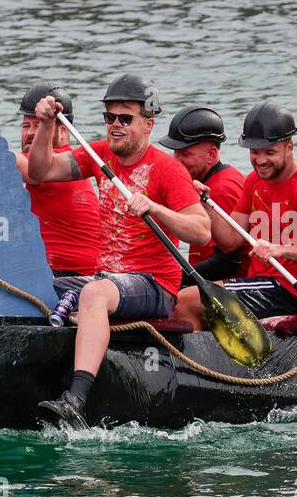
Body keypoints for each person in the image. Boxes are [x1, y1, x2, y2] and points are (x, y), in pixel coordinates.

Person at [25, 73, 211, 427]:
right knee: (30, 283)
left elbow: (201, 231)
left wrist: (156, 209)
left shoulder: (167, 170)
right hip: (108, 279)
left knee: (94, 293)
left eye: (125, 118)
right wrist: (47, 126)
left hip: (155, 284)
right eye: (109, 117)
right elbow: (40, 171)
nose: (115, 125)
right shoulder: (101, 154)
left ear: (148, 123)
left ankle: (76, 399)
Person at [170, 102, 297, 328]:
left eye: (270, 152)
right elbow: (230, 241)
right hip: (263, 284)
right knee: (185, 295)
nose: (260, 160)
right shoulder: (254, 180)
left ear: (289, 147)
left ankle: (194, 360)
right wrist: (206, 204)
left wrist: (281, 249)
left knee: (186, 302)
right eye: (254, 152)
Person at [12, 83, 102, 293]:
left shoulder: (56, 165)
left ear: (64, 132)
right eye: (27, 126)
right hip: (61, 271)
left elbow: (21, 166)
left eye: (40, 125)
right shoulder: (71, 162)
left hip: (72, 276)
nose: (31, 133)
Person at [157, 105, 247, 283]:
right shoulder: (208, 181)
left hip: (230, 285)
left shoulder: (220, 189)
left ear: (211, 155)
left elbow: (227, 263)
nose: (176, 160)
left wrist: (175, 278)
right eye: (175, 152)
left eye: (185, 153)